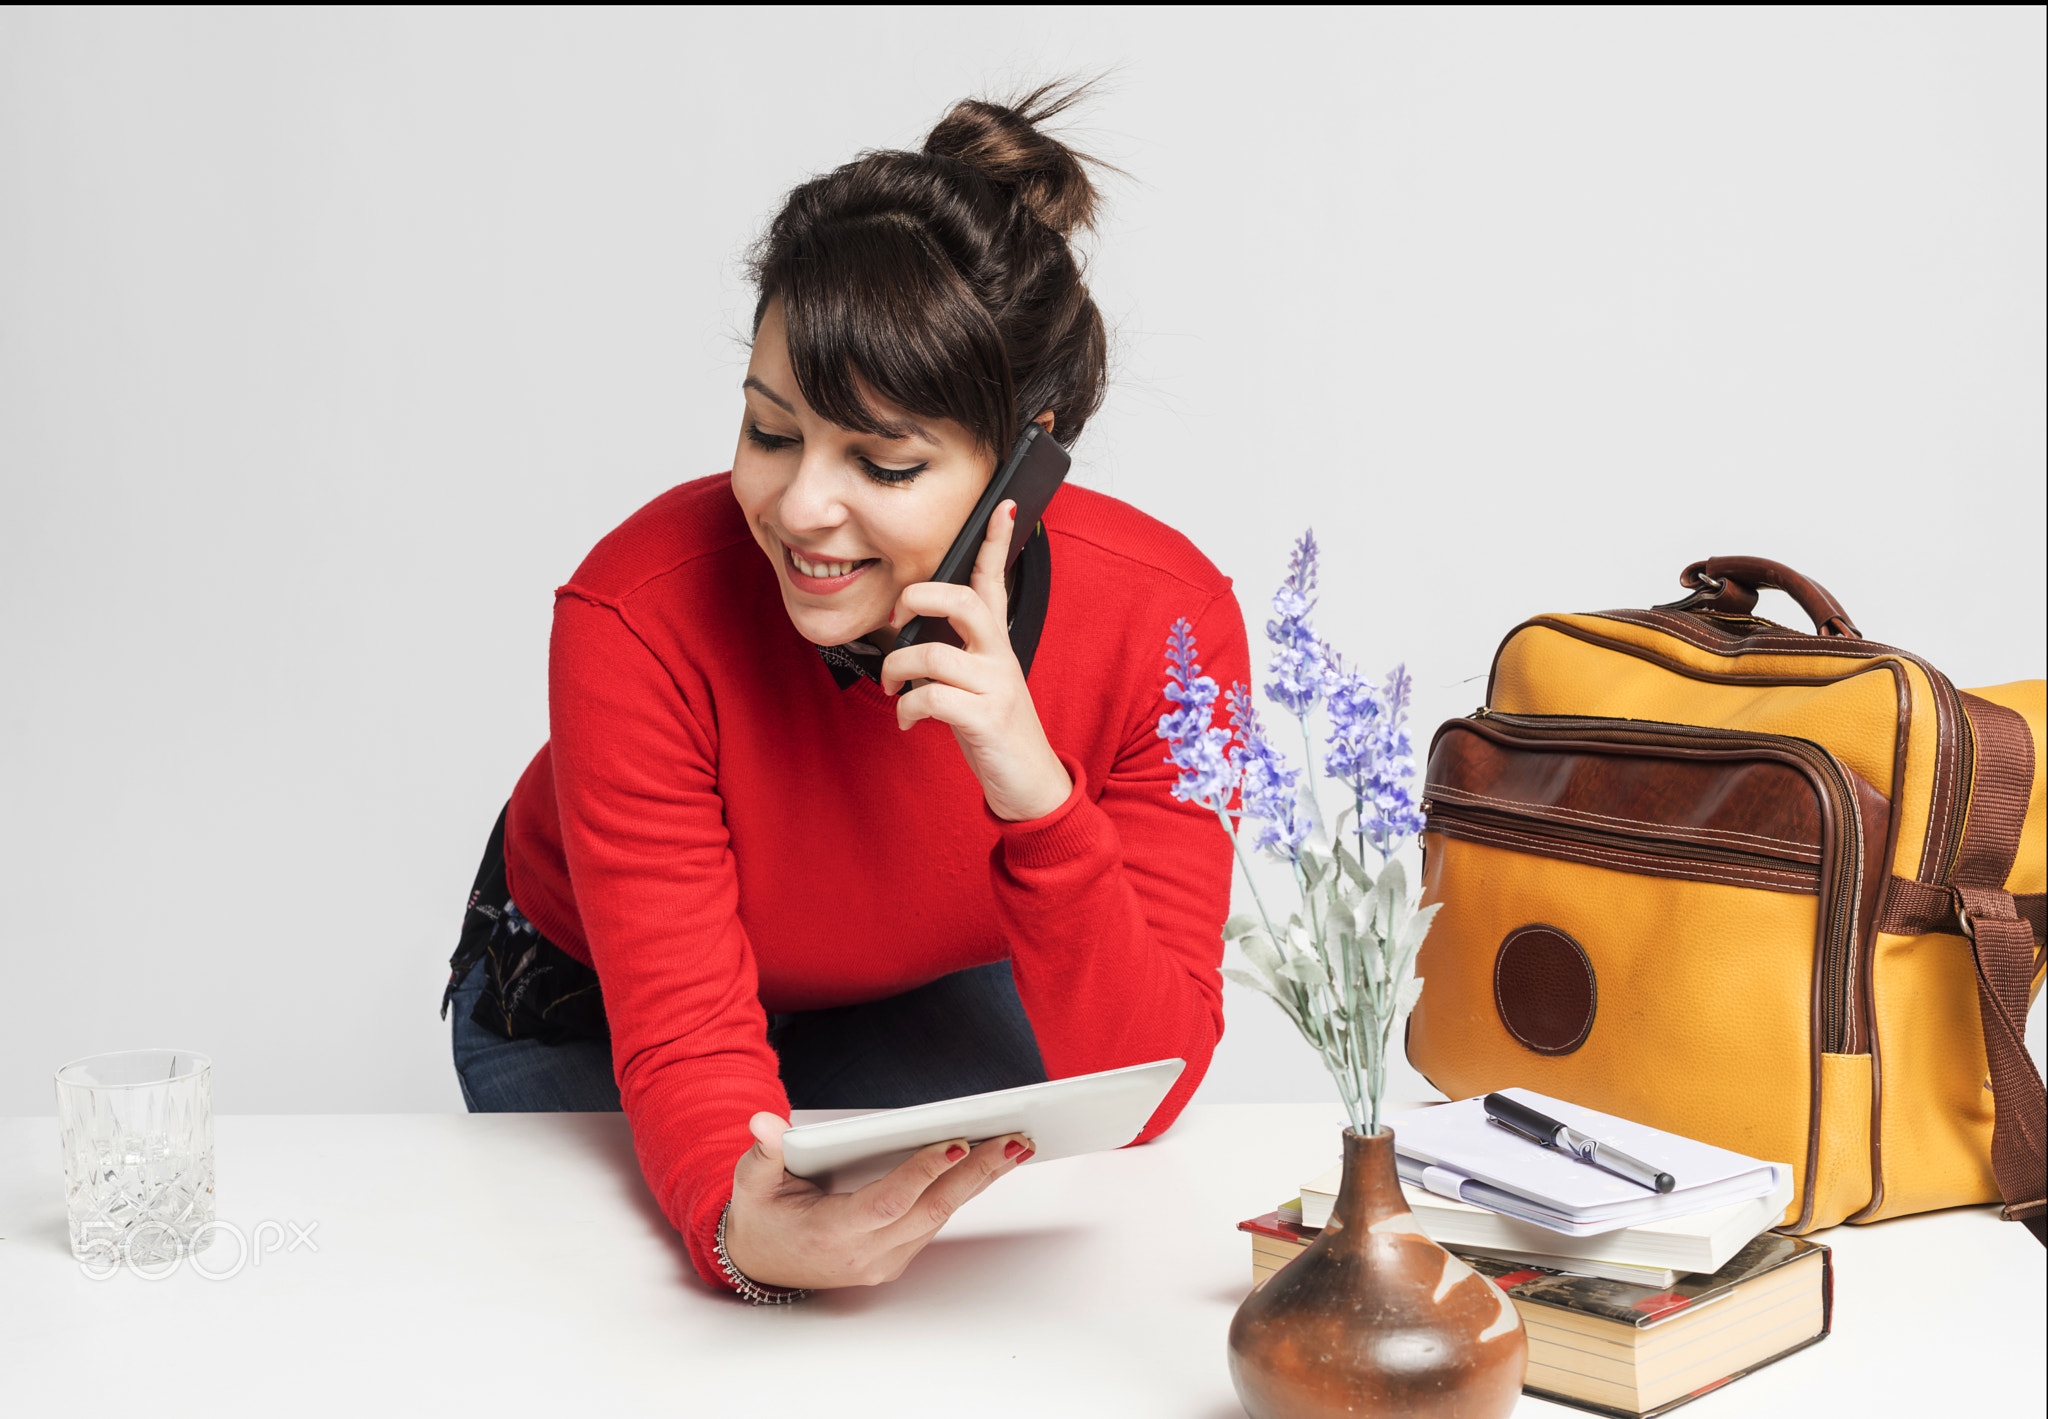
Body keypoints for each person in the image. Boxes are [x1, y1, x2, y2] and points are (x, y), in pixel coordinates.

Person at [441, 83, 1250, 1301]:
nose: (799, 509)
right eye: (771, 433)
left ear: (1023, 463)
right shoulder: (634, 614)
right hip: (596, 1003)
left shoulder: (1168, 623)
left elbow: (1149, 1086)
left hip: (907, 986)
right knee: (643, 1322)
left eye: (880, 461)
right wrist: (735, 1235)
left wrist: (1029, 785)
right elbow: (691, 1039)